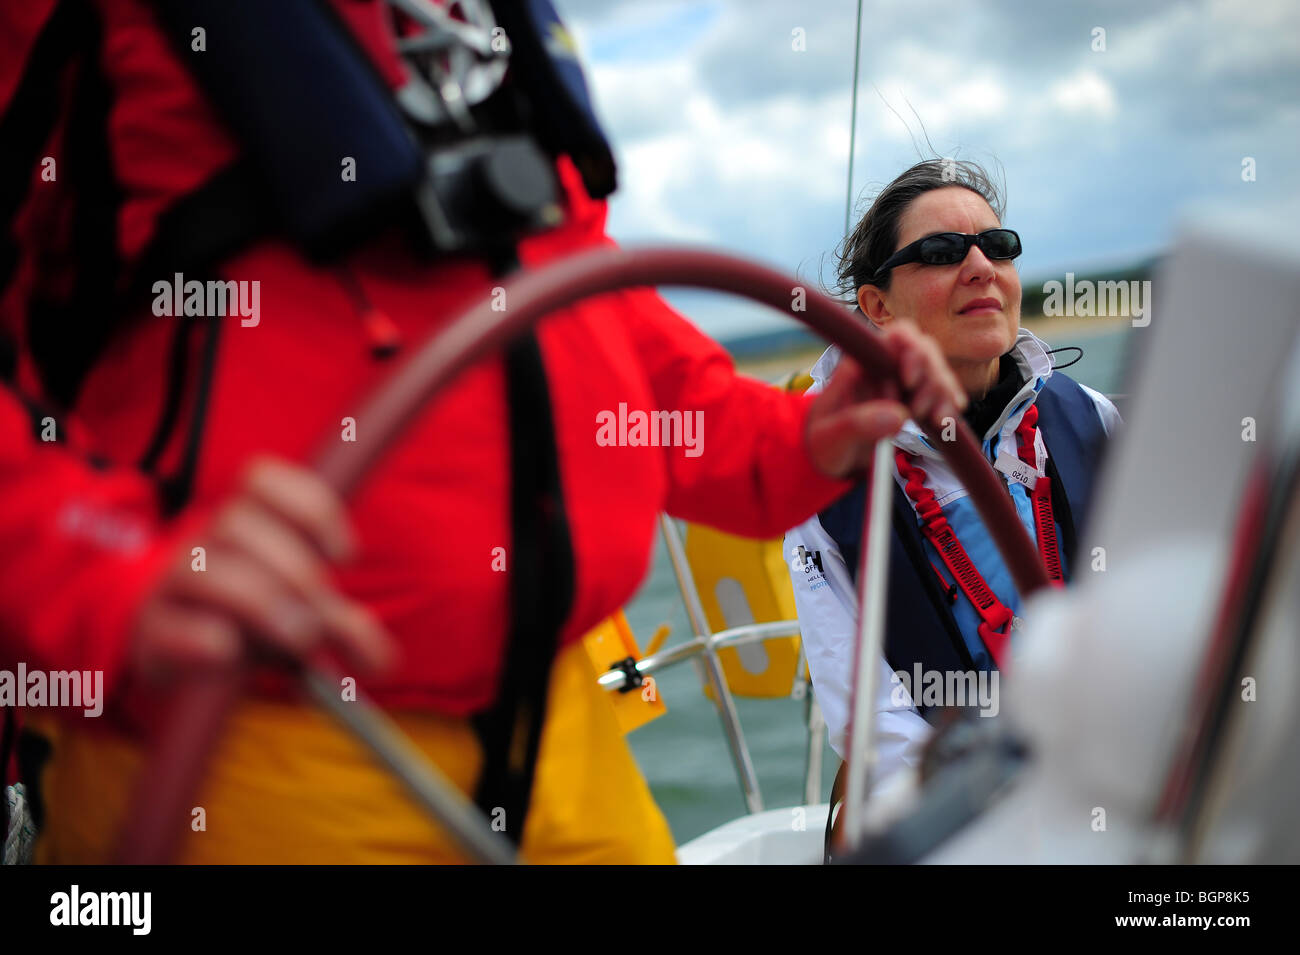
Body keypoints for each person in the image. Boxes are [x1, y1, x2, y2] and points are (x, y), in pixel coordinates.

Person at [0, 1, 965, 863]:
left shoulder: (486, 25)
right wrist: (95, 566)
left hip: (563, 733)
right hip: (241, 746)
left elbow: (584, 314)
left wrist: (792, 436)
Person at [786, 159, 1120, 789]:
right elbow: (873, 722)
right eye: (941, 252)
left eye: (998, 246)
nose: (980, 267)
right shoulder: (828, 474)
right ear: (877, 304)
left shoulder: (1091, 420)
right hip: (955, 806)